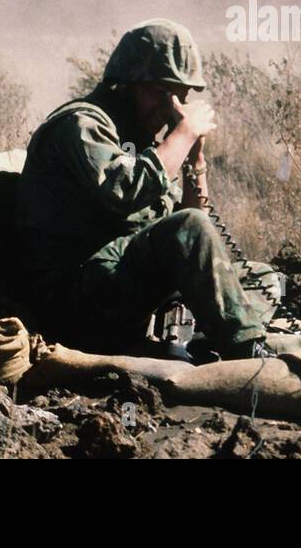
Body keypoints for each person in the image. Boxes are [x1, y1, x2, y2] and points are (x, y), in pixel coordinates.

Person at [14, 19, 269, 359]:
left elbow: (192, 222)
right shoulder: (82, 125)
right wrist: (183, 135)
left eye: (180, 96)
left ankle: (216, 340)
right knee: (190, 231)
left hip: (112, 287)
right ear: (126, 84)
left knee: (262, 279)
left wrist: (195, 157)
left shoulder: (142, 142)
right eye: (161, 93)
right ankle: (249, 357)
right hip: (71, 302)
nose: (172, 107)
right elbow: (126, 191)